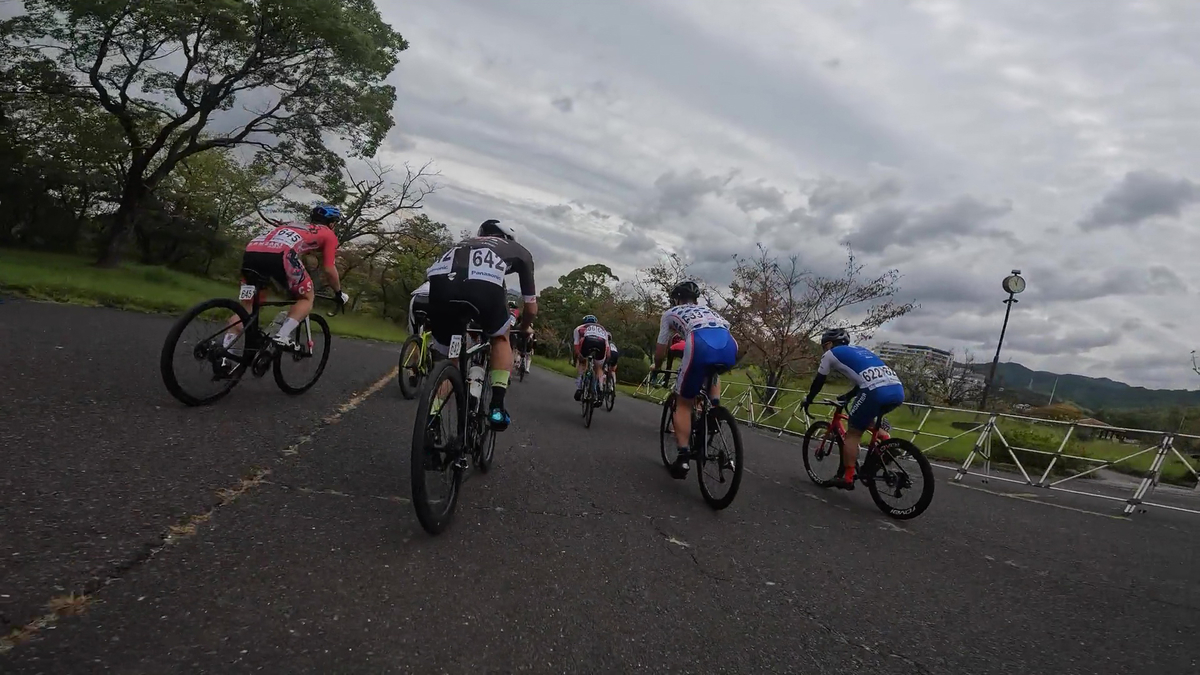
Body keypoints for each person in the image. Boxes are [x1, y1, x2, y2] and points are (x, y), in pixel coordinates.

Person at [424, 219, 536, 429]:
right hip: (484, 288)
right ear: (509, 238)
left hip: (440, 286)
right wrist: (524, 327)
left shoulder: (463, 243)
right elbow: (530, 308)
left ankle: (432, 416)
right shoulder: (519, 251)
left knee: (450, 358)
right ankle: (496, 406)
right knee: (500, 338)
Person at [225, 205, 349, 354]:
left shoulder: (294, 225)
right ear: (332, 223)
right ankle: (282, 336)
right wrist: (338, 292)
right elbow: (329, 268)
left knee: (247, 308)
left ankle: (225, 353)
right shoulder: (329, 234)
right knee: (306, 297)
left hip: (252, 251)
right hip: (280, 255)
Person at [651, 281, 738, 479]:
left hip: (698, 342)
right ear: (696, 299)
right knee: (712, 372)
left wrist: (657, 366)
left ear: (676, 299)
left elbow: (660, 348)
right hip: (729, 345)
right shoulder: (711, 311)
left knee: (683, 402)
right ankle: (714, 412)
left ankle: (682, 458)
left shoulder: (670, 313)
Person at [801, 328, 905, 490]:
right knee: (868, 420)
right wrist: (848, 396)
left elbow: (819, 381)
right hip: (897, 389)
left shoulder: (830, 354)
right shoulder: (862, 350)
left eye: (823, 346)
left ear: (828, 344)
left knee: (854, 432)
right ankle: (887, 444)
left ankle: (848, 477)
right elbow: (864, 379)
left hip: (874, 391)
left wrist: (809, 399)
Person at [572, 315, 610, 401]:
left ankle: (579, 387)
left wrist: (579, 356)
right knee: (598, 368)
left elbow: (576, 345)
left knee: (582, 363)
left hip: (588, 341)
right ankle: (600, 388)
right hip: (601, 343)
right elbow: (607, 348)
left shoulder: (579, 328)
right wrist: (605, 360)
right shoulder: (602, 329)